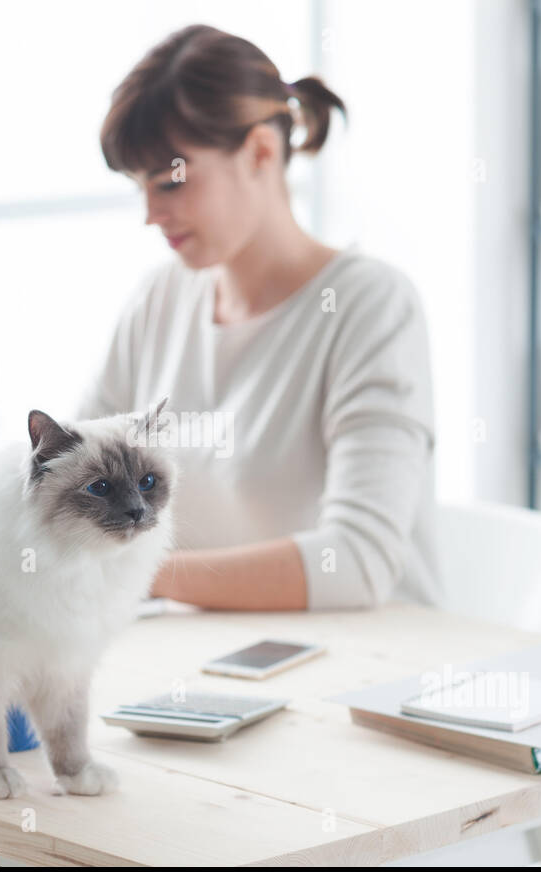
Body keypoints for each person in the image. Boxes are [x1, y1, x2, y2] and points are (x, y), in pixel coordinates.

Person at [77, 23, 442, 612]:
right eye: (139, 186)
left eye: (170, 179)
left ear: (262, 153)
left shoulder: (370, 306)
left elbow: (356, 561)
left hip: (369, 667)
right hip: (211, 665)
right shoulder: (159, 303)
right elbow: (66, 482)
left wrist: (139, 573)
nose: (151, 213)